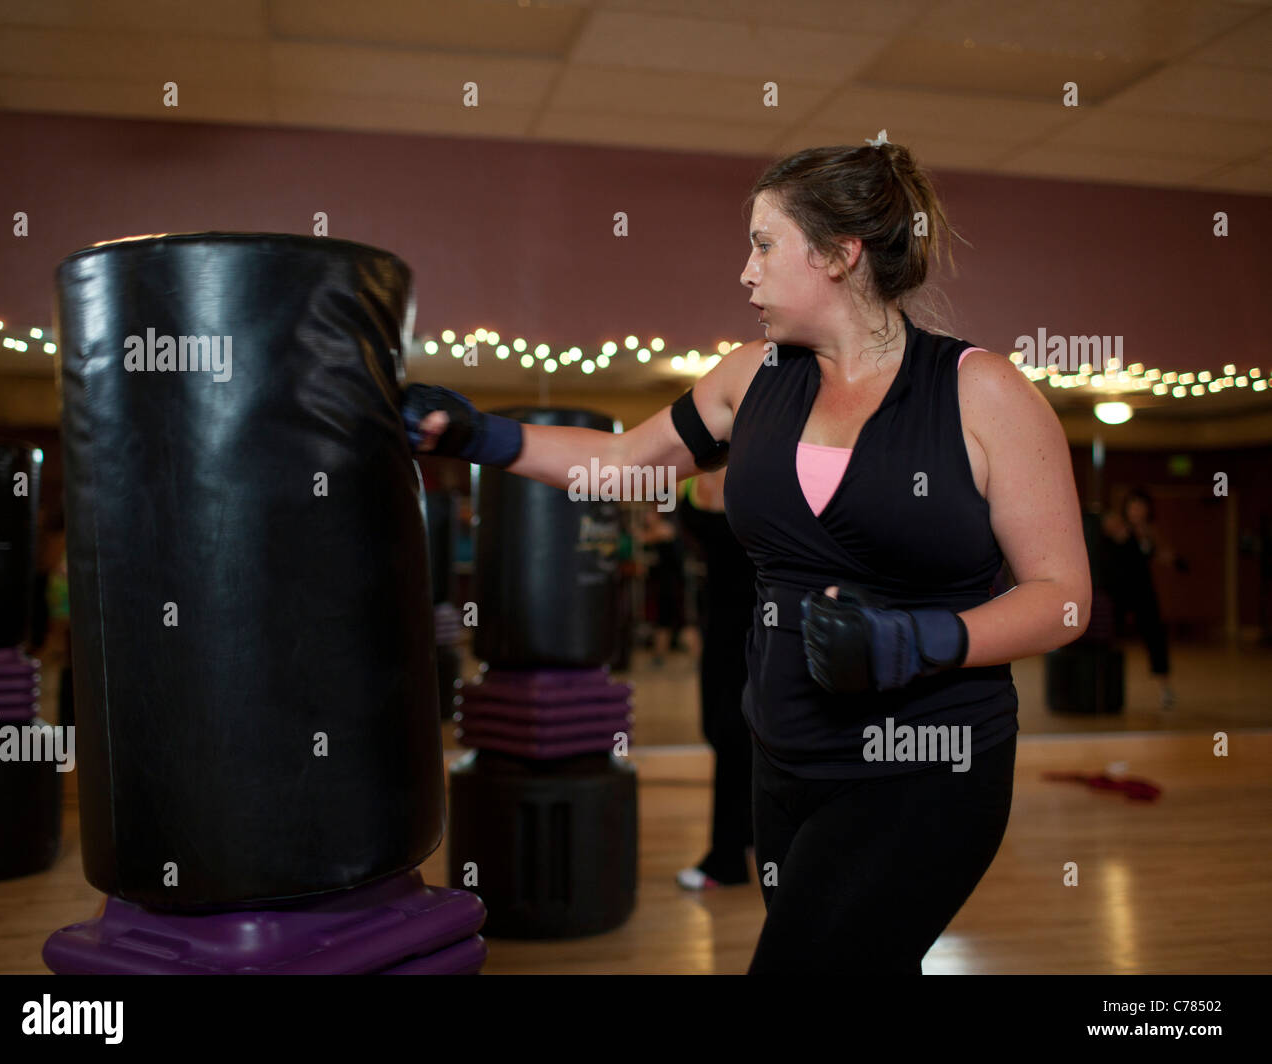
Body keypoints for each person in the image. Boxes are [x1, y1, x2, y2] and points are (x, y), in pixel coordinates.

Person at [402, 134, 1092, 973]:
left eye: (765, 245)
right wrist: (480, 434)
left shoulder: (980, 392)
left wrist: (923, 640)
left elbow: (1062, 597)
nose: (746, 271)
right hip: (786, 758)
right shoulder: (752, 377)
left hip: (927, 762)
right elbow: (625, 465)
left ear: (839, 255)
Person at [675, 468, 757, 889]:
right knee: (718, 729)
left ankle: (725, 862)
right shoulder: (690, 474)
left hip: (763, 619)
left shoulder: (761, 464)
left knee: (732, 734)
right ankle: (748, 833)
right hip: (718, 622)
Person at [1101, 489, 1181, 709]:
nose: (1137, 510)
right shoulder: (1118, 528)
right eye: (1134, 506)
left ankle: (1165, 689)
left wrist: (1177, 561)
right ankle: (1103, 688)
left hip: (1143, 591)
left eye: (1142, 506)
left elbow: (1162, 554)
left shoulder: (1149, 533)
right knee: (1108, 638)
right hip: (1117, 592)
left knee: (1155, 636)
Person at [637, 505, 687, 666]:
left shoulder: (664, 529)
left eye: (649, 513)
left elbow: (645, 538)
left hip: (671, 585)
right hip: (662, 584)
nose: (646, 517)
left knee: (669, 620)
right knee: (663, 620)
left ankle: (661, 654)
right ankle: (660, 654)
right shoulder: (659, 530)